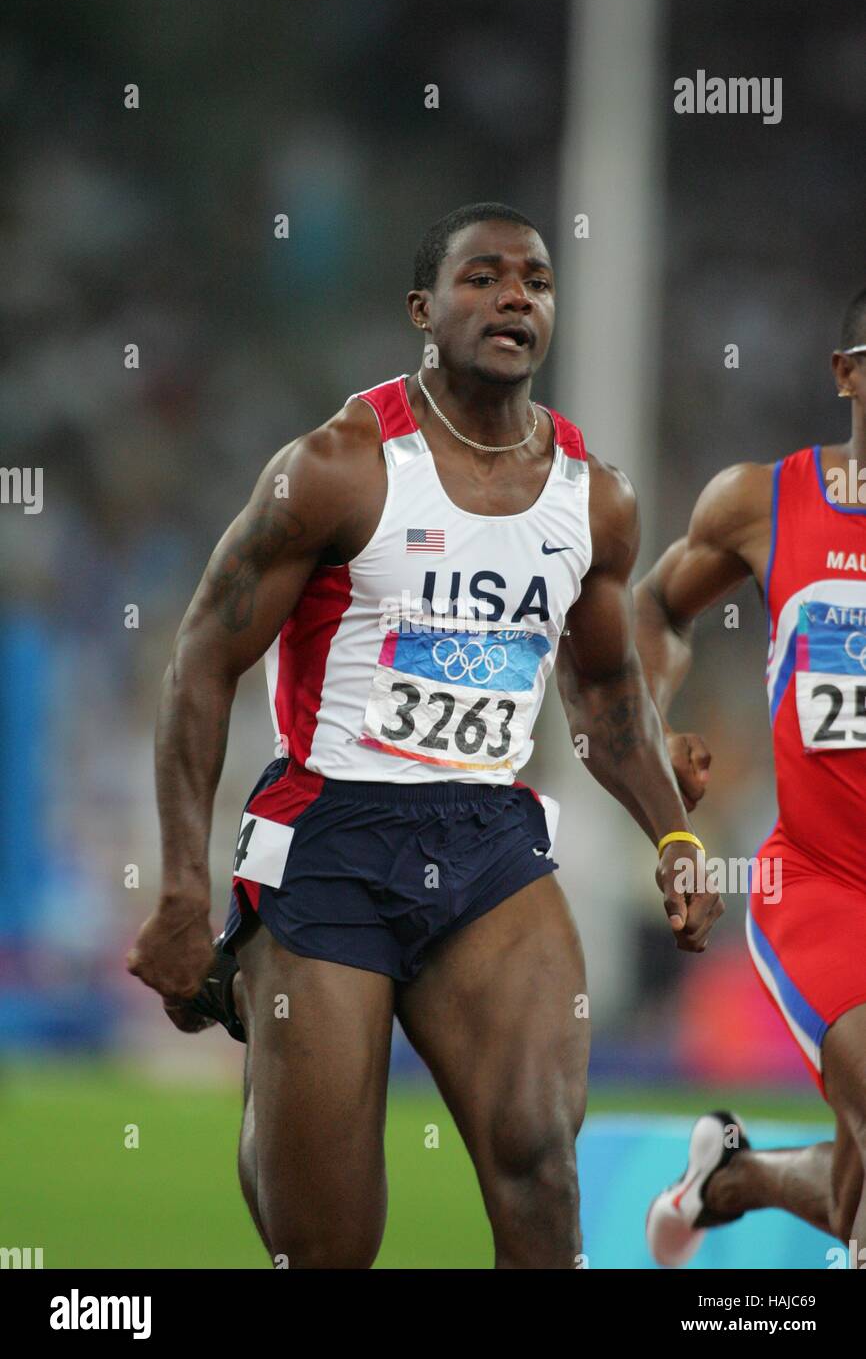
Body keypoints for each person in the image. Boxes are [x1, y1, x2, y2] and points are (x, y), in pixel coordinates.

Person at [128, 201, 719, 1270]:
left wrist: (671, 838)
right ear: (422, 308)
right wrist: (179, 889)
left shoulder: (598, 502)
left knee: (539, 1159)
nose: (512, 298)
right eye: (482, 277)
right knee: (328, 1242)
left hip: (488, 836)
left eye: (534, 281)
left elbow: (601, 696)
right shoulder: (336, 467)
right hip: (329, 841)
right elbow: (201, 663)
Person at [639, 289, 866, 1268]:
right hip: (818, 886)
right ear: (844, 372)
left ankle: (727, 1177)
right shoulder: (762, 503)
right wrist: (655, 728)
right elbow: (651, 613)